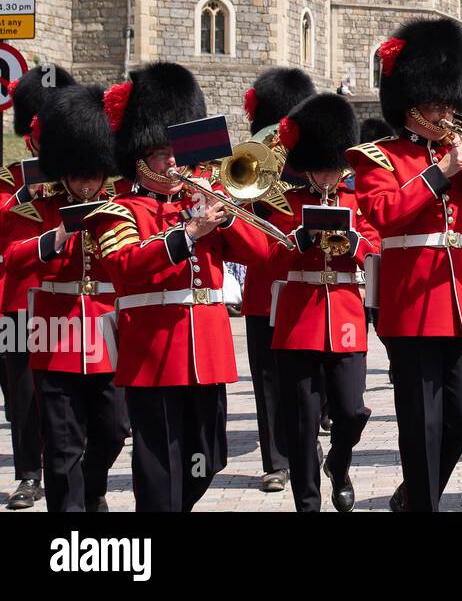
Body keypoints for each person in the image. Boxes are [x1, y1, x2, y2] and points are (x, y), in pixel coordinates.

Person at [85, 62, 267, 511]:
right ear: (140, 157)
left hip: (207, 348)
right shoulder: (117, 210)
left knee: (210, 457)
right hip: (155, 349)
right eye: (163, 154)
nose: (173, 161)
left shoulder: (204, 201)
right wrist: (187, 234)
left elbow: (262, 253)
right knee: (159, 461)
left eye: (176, 151)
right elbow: (124, 266)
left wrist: (220, 204)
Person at [347, 18, 462, 512]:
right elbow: (385, 214)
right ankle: (422, 502)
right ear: (411, 105)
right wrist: (441, 172)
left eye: (448, 104)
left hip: (460, 301)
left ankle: (416, 493)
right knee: (422, 424)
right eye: (438, 105)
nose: (446, 113)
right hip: (413, 303)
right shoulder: (376, 158)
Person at [2, 84, 128, 511]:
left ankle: (93, 488)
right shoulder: (41, 208)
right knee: (59, 447)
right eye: (78, 174)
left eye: (94, 174)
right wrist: (54, 237)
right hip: (51, 337)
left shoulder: (118, 205)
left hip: (105, 336)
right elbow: (13, 257)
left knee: (112, 430)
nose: (87, 183)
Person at [254, 93, 380, 512]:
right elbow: (268, 258)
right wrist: (300, 239)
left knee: (352, 410)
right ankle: (307, 503)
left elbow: (376, 246)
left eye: (334, 168)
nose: (328, 177)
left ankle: (339, 463)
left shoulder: (352, 200)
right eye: (322, 168)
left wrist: (356, 244)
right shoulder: (286, 204)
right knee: (302, 422)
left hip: (345, 312)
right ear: (308, 165)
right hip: (298, 318)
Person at [0, 63, 75, 509]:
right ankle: (29, 473)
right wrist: (26, 194)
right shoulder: (11, 181)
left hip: (71, 299)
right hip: (18, 302)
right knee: (22, 394)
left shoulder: (81, 180)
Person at [238, 67, 315, 494]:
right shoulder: (252, 161)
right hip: (264, 286)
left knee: (307, 377)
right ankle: (277, 461)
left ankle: (305, 445)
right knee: (267, 378)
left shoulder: (310, 166)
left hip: (306, 285)